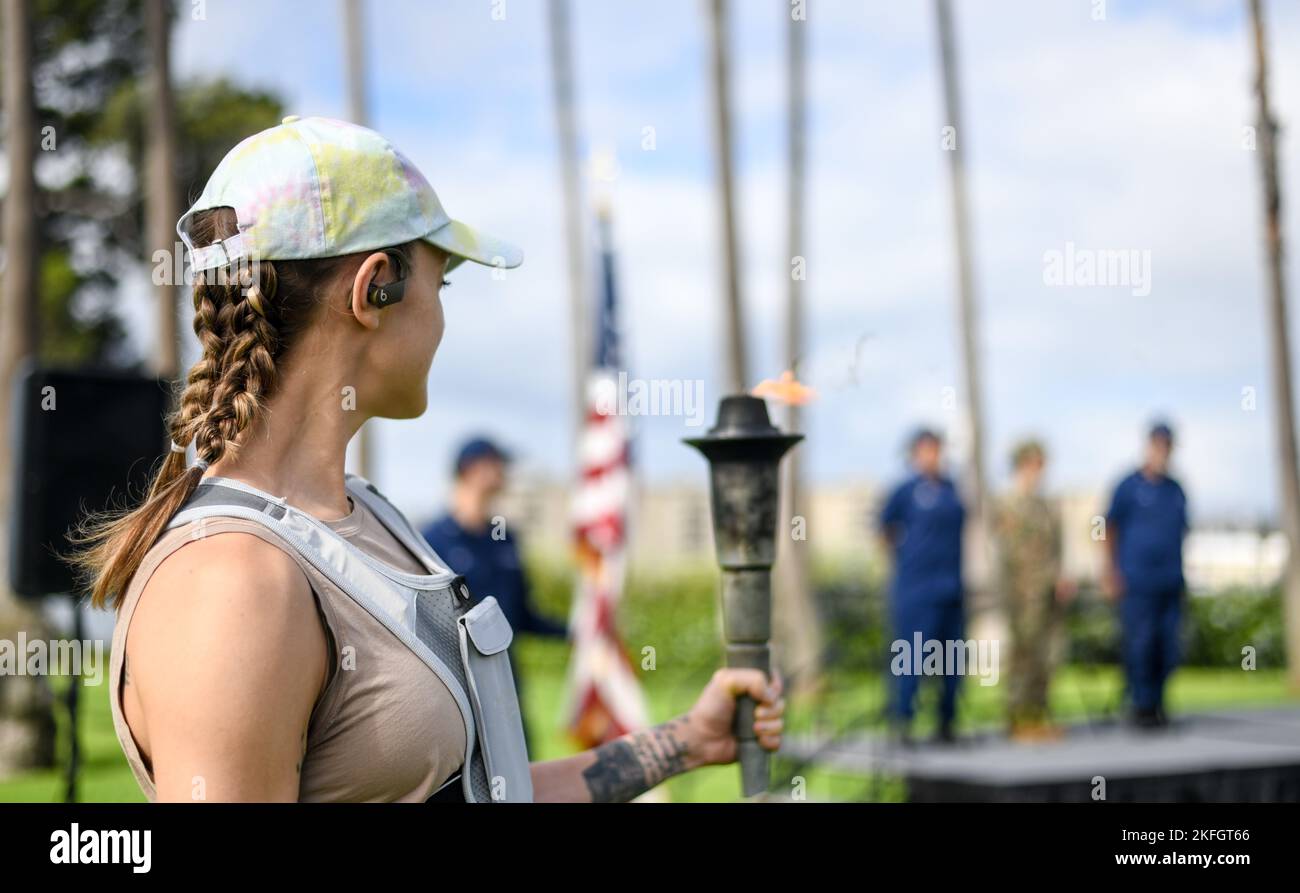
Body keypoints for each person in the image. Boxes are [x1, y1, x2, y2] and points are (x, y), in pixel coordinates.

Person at [74, 116, 783, 802]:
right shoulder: (232, 582)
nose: (443, 316)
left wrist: (685, 740)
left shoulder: (370, 515)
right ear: (374, 287)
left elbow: (484, 791)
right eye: (441, 284)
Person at [421, 436, 567, 750]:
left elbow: (522, 614)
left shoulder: (505, 539)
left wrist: (579, 631)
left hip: (506, 681)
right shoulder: (430, 541)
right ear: (473, 469)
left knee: (521, 770)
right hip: (458, 686)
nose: (506, 472)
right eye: (498, 463)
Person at [879, 428, 966, 745]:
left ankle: (947, 723)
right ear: (915, 454)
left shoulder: (952, 489)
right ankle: (902, 722)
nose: (933, 457)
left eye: (937, 450)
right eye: (926, 450)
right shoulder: (904, 491)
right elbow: (885, 530)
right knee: (910, 656)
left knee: (952, 658)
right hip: (915, 589)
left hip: (951, 588)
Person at [1103, 421, 1189, 730]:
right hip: (1137, 581)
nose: (1162, 452)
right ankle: (1141, 705)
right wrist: (1110, 572)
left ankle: (1158, 703)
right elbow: (1107, 529)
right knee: (1141, 644)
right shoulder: (1128, 486)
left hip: (1169, 580)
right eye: (1157, 445)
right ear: (1148, 446)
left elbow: (1181, 534)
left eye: (1167, 446)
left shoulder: (1176, 490)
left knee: (1168, 646)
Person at [994, 440, 1075, 742]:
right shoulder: (1007, 504)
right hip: (1021, 595)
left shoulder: (1047, 505)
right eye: (1033, 464)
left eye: (1041, 464)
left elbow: (1055, 549)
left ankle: (1038, 715)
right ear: (1020, 465)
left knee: (1048, 655)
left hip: (1048, 594)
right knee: (1023, 656)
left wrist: (1060, 577)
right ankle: (1018, 718)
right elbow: (1007, 554)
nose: (1038, 471)